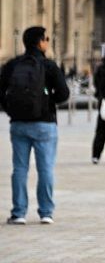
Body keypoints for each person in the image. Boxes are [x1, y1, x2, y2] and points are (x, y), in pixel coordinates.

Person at [0, 26, 69, 225]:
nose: (48, 41)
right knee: (45, 168)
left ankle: (19, 212)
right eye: (46, 38)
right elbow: (64, 94)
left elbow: (0, 92)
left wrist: (11, 110)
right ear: (40, 42)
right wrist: (47, 102)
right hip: (44, 124)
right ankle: (46, 212)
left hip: (19, 123)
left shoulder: (12, 65)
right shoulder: (49, 66)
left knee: (19, 169)